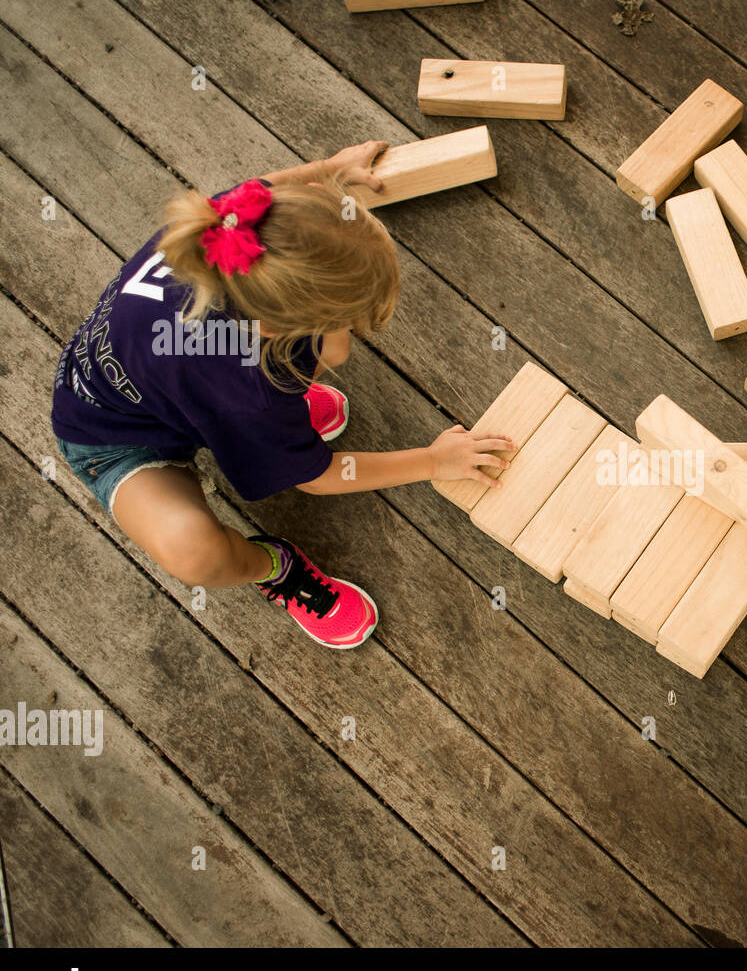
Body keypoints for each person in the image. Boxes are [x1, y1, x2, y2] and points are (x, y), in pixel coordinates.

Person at [50, 143, 512, 649]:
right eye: (350, 316)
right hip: (114, 440)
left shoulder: (241, 228)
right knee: (195, 553)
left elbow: (278, 186)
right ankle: (276, 565)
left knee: (328, 354)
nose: (357, 328)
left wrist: (334, 170)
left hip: (179, 389)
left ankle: (271, 433)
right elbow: (318, 478)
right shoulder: (247, 388)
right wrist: (433, 461)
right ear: (276, 328)